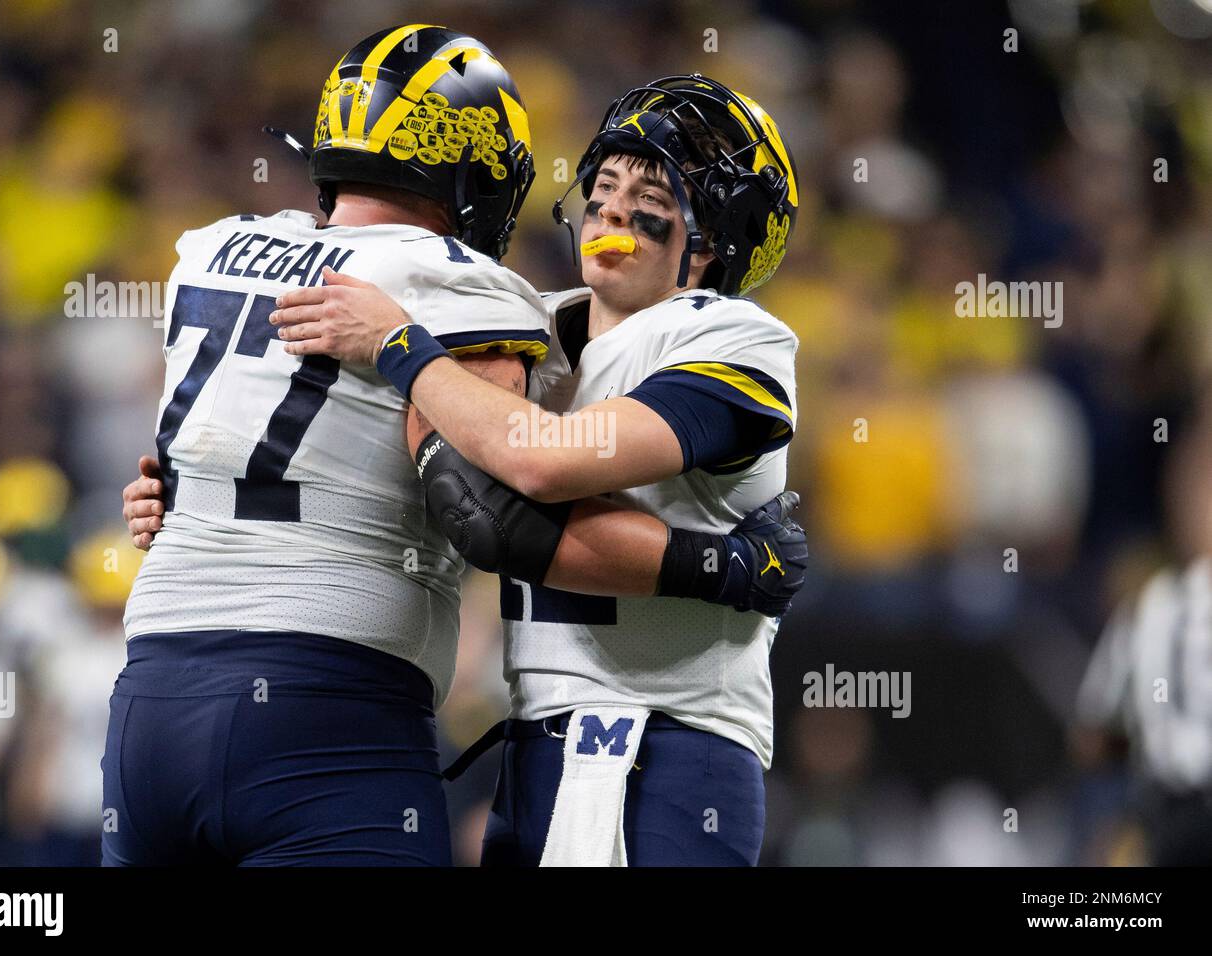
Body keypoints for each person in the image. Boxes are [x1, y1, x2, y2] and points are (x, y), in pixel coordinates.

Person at [110, 28, 804, 867]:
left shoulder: (733, 335)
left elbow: (536, 466)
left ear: (714, 244)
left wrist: (403, 348)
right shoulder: (515, 319)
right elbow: (477, 503)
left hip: (666, 742)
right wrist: (182, 492)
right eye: (605, 183)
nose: (614, 209)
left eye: (653, 197)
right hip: (530, 741)